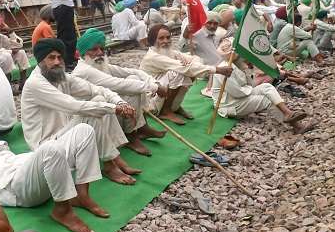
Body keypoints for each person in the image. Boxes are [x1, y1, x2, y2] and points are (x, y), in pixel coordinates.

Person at [20, 38, 141, 185]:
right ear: (40, 61)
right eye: (51, 58)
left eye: (59, 57)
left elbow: (97, 89)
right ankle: (110, 165)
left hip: (64, 133)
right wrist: (114, 109)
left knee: (98, 98)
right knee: (90, 113)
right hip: (47, 147)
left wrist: (120, 102)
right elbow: (74, 106)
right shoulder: (35, 83)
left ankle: (113, 158)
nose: (57, 62)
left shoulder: (61, 77)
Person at [72, 28, 167, 156]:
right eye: (94, 50)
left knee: (133, 78)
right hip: (92, 122)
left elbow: (133, 71)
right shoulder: (84, 70)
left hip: (110, 115)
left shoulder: (99, 64)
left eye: (101, 49)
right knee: (129, 88)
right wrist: (155, 88)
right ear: (83, 53)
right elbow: (119, 84)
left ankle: (140, 128)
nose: (100, 53)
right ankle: (131, 135)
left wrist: (154, 83)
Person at [139, 24, 231, 125]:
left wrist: (190, 61)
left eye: (168, 37)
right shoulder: (153, 56)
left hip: (161, 89)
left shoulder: (168, 51)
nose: (166, 41)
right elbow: (184, 68)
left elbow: (194, 59)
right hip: (150, 98)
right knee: (177, 73)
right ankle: (165, 111)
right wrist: (217, 70)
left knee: (190, 69)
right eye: (161, 38)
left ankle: (174, 106)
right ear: (153, 40)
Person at [217, 57, 315, 133]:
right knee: (266, 100)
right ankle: (296, 126)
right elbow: (238, 93)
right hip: (230, 105)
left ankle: (288, 113)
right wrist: (249, 86)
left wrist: (249, 70)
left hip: (242, 94)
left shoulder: (239, 64)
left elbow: (250, 84)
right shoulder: (224, 69)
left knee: (266, 87)